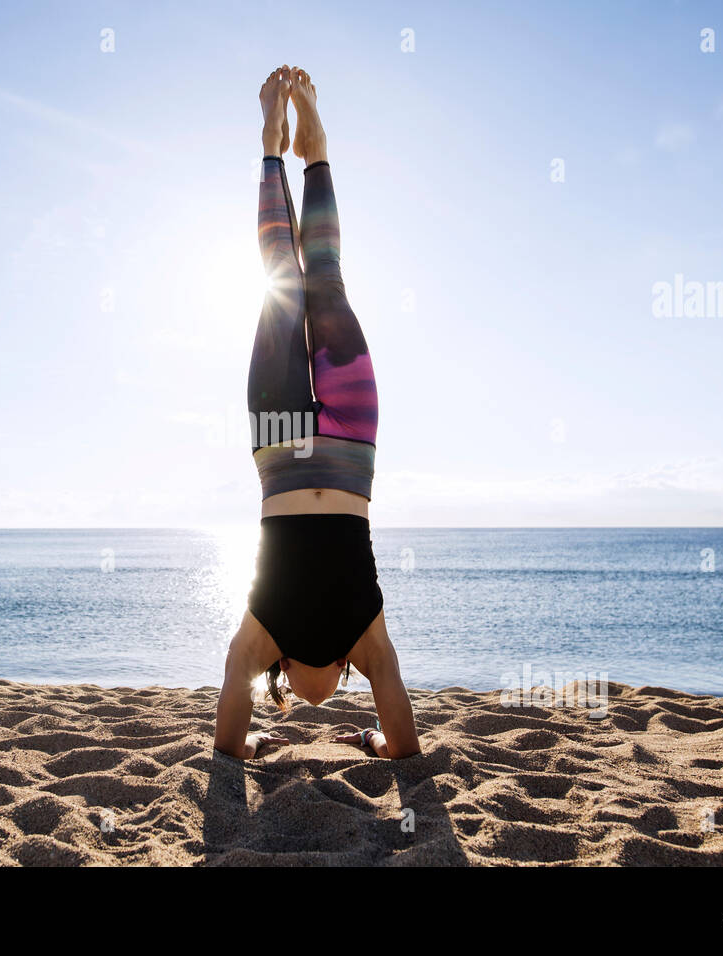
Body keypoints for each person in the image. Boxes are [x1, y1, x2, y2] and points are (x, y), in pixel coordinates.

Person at [212, 66, 421, 761]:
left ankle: (298, 150)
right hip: (290, 446)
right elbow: (228, 731)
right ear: (340, 671)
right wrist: (369, 739)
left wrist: (375, 739)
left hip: (330, 444)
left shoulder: (349, 639)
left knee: (307, 278)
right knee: (294, 276)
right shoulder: (278, 634)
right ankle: (293, 150)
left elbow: (404, 740)